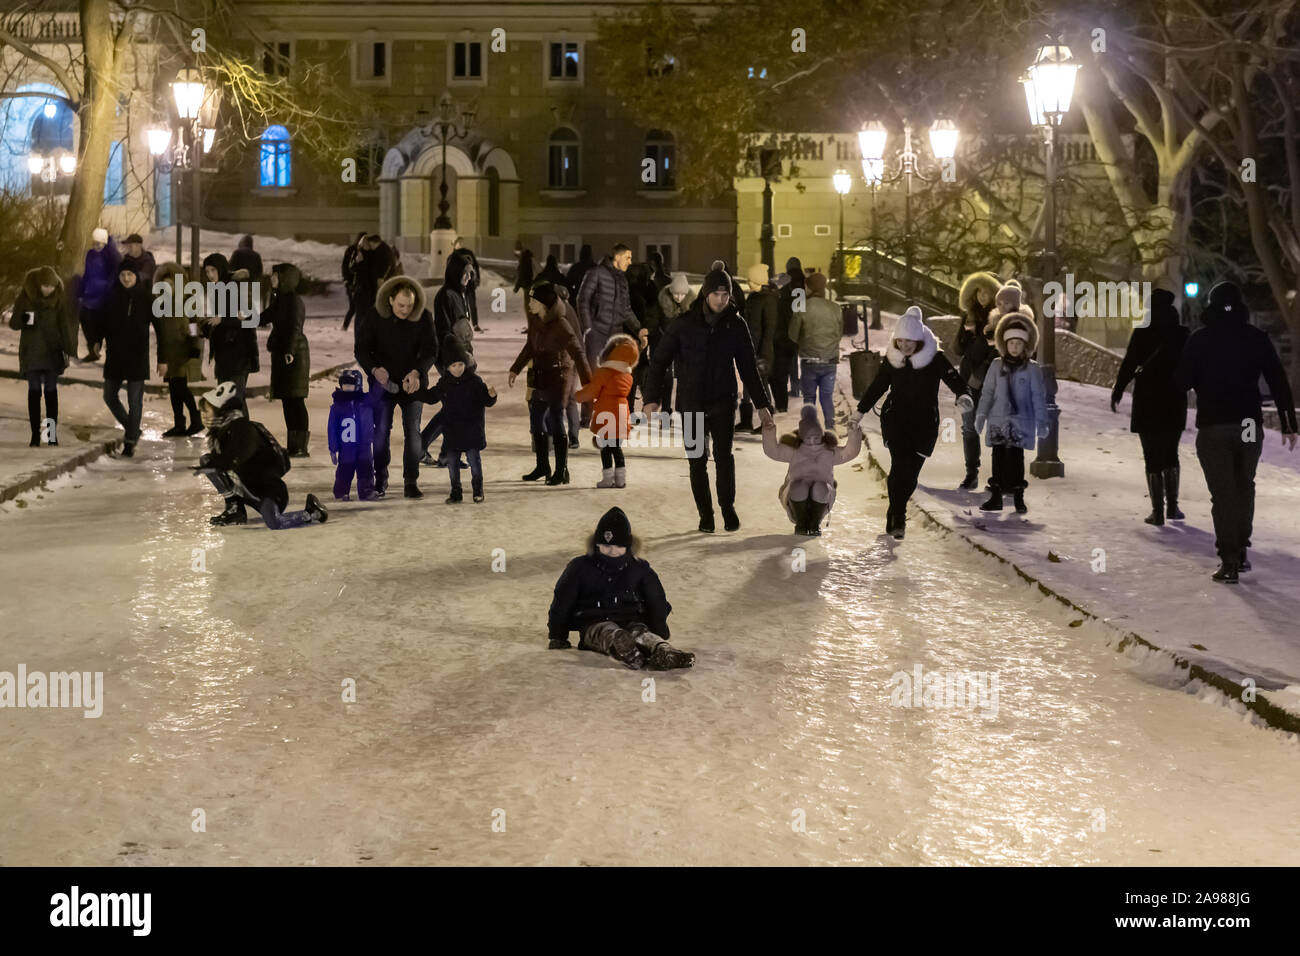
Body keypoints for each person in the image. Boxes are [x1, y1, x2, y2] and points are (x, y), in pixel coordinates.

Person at [1177, 280, 1298, 582]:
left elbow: (1181, 382)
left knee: (1223, 494)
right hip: (1246, 422)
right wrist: (1288, 423)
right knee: (1244, 485)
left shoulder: (1200, 339)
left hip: (1215, 423)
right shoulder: (1255, 338)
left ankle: (1229, 559)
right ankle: (1241, 548)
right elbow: (1277, 378)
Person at [642, 266, 774, 533]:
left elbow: (748, 367)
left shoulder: (736, 325)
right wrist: (651, 397)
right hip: (691, 403)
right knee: (696, 460)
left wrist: (763, 406)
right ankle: (706, 514)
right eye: (717, 293)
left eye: (726, 294)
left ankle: (727, 508)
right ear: (706, 293)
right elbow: (658, 362)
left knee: (723, 457)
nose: (721, 299)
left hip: (723, 401)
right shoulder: (684, 325)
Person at [854, 307, 972, 539]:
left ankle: (895, 509)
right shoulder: (893, 359)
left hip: (924, 423)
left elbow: (955, 380)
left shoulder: (934, 358)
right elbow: (878, 386)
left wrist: (963, 396)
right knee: (899, 468)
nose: (905, 345)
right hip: (895, 419)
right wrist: (859, 412)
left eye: (910, 340)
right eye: (900, 340)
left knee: (910, 473)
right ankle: (898, 516)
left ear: (918, 339)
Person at [547, 506, 694, 670]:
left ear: (628, 546)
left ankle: (661, 649)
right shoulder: (580, 567)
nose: (612, 551)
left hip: (630, 618)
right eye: (606, 545)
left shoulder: (639, 569)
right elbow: (562, 600)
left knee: (640, 633)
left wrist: (659, 630)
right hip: (592, 621)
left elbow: (656, 600)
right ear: (596, 544)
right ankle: (624, 647)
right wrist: (557, 636)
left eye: (618, 546)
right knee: (605, 632)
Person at [195, 380, 328, 529]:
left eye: (206, 411)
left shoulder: (243, 428)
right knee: (208, 460)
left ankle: (313, 512)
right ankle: (235, 509)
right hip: (246, 488)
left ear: (221, 410)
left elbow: (247, 451)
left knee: (275, 522)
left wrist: (230, 460)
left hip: (268, 491)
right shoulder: (220, 434)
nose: (202, 416)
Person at [354, 274, 438, 499]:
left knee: (413, 432)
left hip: (413, 384)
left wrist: (417, 371)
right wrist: (374, 369)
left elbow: (431, 349)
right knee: (380, 433)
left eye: (409, 305)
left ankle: (411, 481)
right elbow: (361, 349)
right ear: (390, 300)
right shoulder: (374, 317)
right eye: (401, 305)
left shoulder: (423, 318)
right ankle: (380, 479)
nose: (405, 310)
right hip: (383, 385)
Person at [1111, 287, 1190, 526]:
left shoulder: (1143, 334)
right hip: (1174, 400)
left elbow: (1129, 364)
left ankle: (1157, 512)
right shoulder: (1183, 334)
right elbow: (1191, 366)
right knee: (1171, 452)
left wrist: (1118, 390)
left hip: (1147, 399)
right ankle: (1173, 508)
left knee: (1151, 455)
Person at [509, 281, 591, 485]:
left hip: (559, 376)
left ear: (544, 303)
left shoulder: (561, 324)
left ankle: (561, 470)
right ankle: (543, 465)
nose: (529, 303)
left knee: (555, 420)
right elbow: (530, 347)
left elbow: (578, 353)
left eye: (533, 300)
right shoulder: (536, 321)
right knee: (536, 420)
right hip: (540, 374)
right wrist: (515, 368)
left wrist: (588, 382)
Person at [974, 305, 1048, 515]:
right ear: (1004, 344)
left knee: (1016, 458)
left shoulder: (1032, 369)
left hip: (1021, 421)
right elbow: (987, 392)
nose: (1014, 347)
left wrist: (1042, 421)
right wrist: (981, 414)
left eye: (1018, 343)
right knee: (998, 457)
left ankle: (1018, 497)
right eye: (1011, 343)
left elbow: (1037, 397)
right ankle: (996, 496)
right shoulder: (996, 366)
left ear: (1025, 345)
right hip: (998, 419)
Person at [762, 403, 864, 535]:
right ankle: (801, 522)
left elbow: (849, 452)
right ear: (802, 437)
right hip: (795, 496)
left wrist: (854, 434)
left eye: (816, 437)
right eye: (808, 438)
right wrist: (769, 432)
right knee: (799, 487)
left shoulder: (828, 452)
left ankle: (815, 523)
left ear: (821, 435)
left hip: (822, 497)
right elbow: (773, 451)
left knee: (820, 487)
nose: (812, 441)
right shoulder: (795, 451)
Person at [417, 339, 497, 503]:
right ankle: (456, 491)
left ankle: (477, 489)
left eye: (460, 364)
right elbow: (432, 397)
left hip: (472, 431)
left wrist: (491, 396)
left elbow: (485, 401)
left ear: (465, 364)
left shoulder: (475, 382)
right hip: (452, 432)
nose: (458, 369)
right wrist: (417, 391)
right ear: (447, 367)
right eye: (454, 366)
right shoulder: (445, 383)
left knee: (474, 461)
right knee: (452, 464)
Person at [10, 265, 75, 447]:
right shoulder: (26, 297)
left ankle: (51, 435)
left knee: (51, 393)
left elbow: (64, 326)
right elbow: (14, 323)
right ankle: (35, 435)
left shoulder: (59, 300)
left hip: (52, 352)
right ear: (39, 285)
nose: (48, 289)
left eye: (51, 286)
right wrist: (26, 319)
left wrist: (69, 349)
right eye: (45, 286)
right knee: (34, 392)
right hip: (31, 351)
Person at [424, 249, 478, 466]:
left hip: (461, 356)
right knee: (455, 407)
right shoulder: (446, 295)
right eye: (465, 272)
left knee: (455, 407)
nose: (468, 277)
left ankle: (447, 453)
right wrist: (461, 356)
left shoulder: (460, 293)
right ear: (455, 272)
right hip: (451, 357)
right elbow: (445, 331)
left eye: (470, 273)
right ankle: (424, 446)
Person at [101, 263, 157, 458]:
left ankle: (130, 442)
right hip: (115, 356)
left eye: (129, 274)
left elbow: (160, 328)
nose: (126, 278)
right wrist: (96, 342)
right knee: (109, 395)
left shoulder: (146, 298)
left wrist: (163, 358)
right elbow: (102, 322)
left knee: (135, 401)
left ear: (136, 276)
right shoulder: (112, 296)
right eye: (123, 274)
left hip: (137, 356)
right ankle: (132, 429)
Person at [953, 271, 1001, 489]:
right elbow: (957, 349)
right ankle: (971, 472)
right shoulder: (969, 317)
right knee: (969, 428)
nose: (983, 296)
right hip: (967, 379)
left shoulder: (999, 318)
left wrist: (983, 348)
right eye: (979, 291)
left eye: (987, 291)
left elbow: (998, 351)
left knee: (995, 427)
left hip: (990, 379)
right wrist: (965, 337)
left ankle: (1000, 476)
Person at [577, 243, 648, 385]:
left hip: (615, 338)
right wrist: (588, 328)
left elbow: (626, 309)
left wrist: (638, 329)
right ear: (618, 257)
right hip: (597, 335)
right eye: (628, 258)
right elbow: (583, 299)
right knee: (593, 382)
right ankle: (590, 408)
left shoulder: (623, 280)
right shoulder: (596, 273)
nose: (630, 262)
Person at [574, 333, 639, 488]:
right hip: (622, 413)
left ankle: (607, 478)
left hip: (606, 413)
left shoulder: (605, 373)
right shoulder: (627, 376)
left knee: (605, 448)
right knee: (616, 448)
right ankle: (621, 479)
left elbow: (591, 391)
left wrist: (577, 396)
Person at [262, 262, 312, 457]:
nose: (272, 279)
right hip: (284, 354)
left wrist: (290, 351)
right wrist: (245, 319)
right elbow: (265, 317)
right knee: (287, 400)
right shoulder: (280, 300)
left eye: (275, 276)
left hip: (295, 355)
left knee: (296, 400)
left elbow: (295, 328)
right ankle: (294, 445)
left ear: (285, 278)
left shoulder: (294, 301)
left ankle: (300, 447)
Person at [199, 253, 258, 414]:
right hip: (224, 354)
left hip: (239, 353)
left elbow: (248, 317)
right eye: (207, 271)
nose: (210, 275)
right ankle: (234, 435)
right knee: (226, 398)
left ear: (221, 268)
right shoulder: (216, 289)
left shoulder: (236, 287)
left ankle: (244, 436)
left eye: (213, 270)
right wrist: (207, 326)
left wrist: (222, 320)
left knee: (235, 399)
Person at [153, 261, 206, 437]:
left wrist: (194, 344)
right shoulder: (161, 304)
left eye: (171, 285)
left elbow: (194, 324)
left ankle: (196, 420)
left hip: (183, 350)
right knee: (174, 389)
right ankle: (179, 424)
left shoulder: (186, 300)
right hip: (169, 352)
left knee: (180, 388)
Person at [788, 271, 842, 430]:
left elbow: (792, 334)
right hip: (830, 361)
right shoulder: (835, 308)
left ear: (809, 288)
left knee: (809, 397)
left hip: (809, 361)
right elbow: (838, 334)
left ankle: (809, 428)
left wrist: (805, 342)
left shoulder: (802, 307)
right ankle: (830, 427)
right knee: (827, 396)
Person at [327, 369, 376, 501]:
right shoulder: (337, 406)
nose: (347, 387)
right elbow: (332, 428)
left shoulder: (366, 402)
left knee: (366, 469)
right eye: (344, 384)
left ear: (358, 384)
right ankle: (341, 492)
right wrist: (333, 449)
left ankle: (367, 492)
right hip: (346, 447)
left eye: (350, 384)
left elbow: (377, 399)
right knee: (344, 469)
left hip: (364, 446)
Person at [740, 263, 777, 433]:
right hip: (748, 347)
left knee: (761, 385)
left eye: (751, 280)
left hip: (761, 350)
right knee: (747, 384)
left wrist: (763, 354)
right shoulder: (753, 297)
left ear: (760, 281)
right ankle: (746, 420)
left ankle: (767, 421)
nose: (748, 282)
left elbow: (769, 329)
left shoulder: (768, 300)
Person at [78, 228, 120, 362]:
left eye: (99, 243)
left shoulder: (110, 254)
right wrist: (82, 287)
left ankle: (107, 352)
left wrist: (108, 287)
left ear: (104, 243)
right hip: (90, 293)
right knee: (86, 320)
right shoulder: (90, 254)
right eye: (94, 243)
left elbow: (116, 272)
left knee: (104, 324)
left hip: (105, 295)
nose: (96, 246)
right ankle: (93, 349)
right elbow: (88, 273)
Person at [653, 272, 691, 415]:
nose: (678, 297)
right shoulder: (663, 301)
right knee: (667, 378)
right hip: (667, 343)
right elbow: (657, 322)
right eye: (676, 294)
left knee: (684, 377)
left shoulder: (692, 304)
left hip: (685, 347)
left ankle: (682, 409)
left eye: (682, 294)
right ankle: (666, 410)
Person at [773, 257, 806, 411]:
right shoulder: (803, 282)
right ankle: (797, 386)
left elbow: (786, 301)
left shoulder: (789, 281)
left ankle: (793, 387)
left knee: (789, 359)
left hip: (788, 326)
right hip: (801, 325)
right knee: (798, 357)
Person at [352, 235, 397, 334]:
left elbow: (379, 276)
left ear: (372, 243)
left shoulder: (380, 253)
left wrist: (380, 294)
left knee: (364, 316)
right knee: (363, 315)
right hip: (365, 290)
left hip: (368, 291)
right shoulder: (373, 252)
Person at [452, 237, 483, 332]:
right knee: (463, 304)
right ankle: (467, 324)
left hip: (467, 283)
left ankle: (474, 324)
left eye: (460, 242)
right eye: (458, 243)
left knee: (469, 304)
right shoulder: (456, 254)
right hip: (462, 283)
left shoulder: (462, 253)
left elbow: (476, 266)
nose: (459, 244)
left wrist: (477, 278)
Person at [340, 231, 367, 331]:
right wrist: (347, 280)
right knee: (354, 307)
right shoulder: (352, 250)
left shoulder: (364, 251)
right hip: (352, 283)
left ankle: (346, 326)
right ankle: (345, 326)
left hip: (358, 284)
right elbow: (345, 266)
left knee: (355, 307)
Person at [513, 248, 536, 316]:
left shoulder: (523, 264)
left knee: (527, 304)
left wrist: (516, 288)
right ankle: (533, 321)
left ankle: (531, 322)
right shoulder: (530, 262)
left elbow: (521, 276)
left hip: (527, 286)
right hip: (532, 286)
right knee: (532, 302)